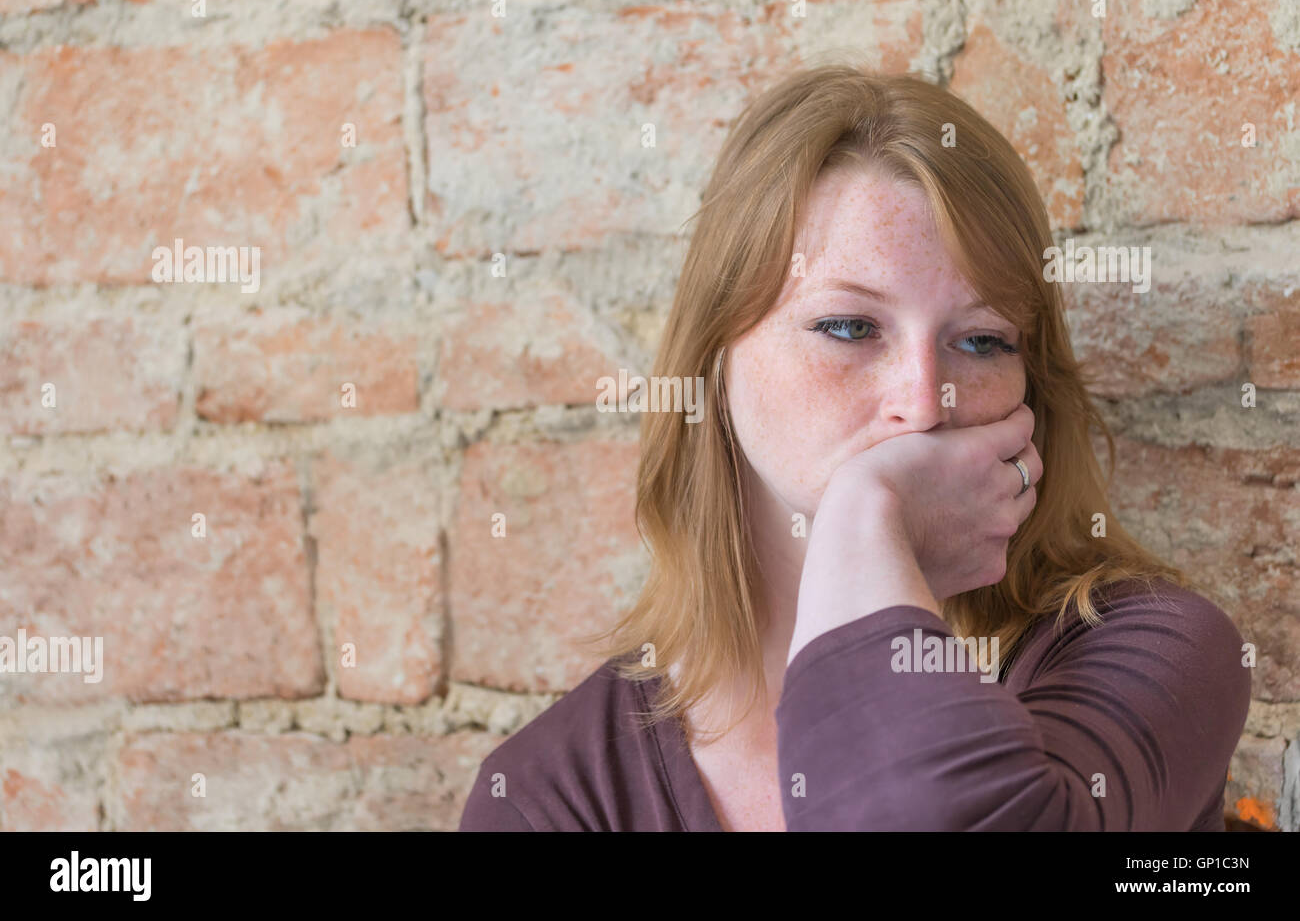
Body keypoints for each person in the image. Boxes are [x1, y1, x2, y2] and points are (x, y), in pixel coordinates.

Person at [458, 63, 1252, 831]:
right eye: (848, 327)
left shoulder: (1154, 653)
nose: (923, 401)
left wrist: (867, 519)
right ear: (715, 359)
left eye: (980, 341)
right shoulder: (549, 799)